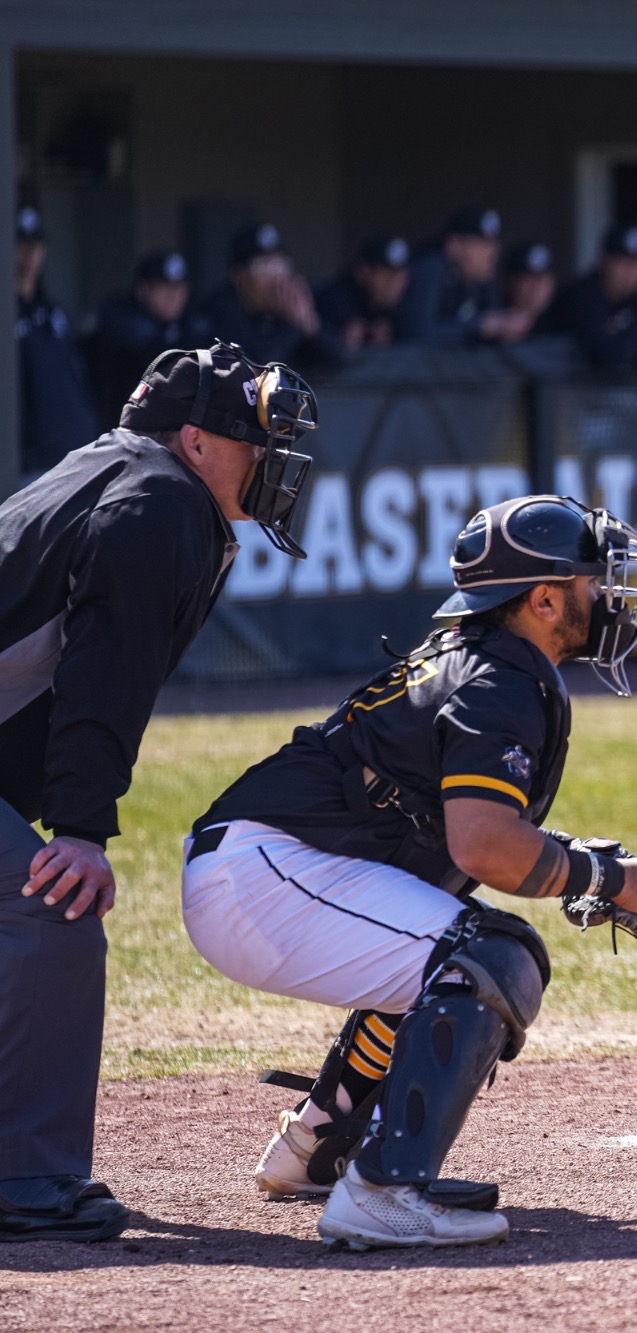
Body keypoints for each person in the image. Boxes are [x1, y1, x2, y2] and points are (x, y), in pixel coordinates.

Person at [180, 495, 637, 1250]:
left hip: (259, 865)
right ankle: (383, 1192)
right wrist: (608, 881)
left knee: (439, 944)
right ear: (544, 598)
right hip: (262, 872)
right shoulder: (500, 679)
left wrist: (595, 862)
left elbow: (468, 840)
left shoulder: (482, 662)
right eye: (590, 580)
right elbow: (485, 846)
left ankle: (317, 1145)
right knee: (487, 956)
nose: (606, 596)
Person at [0, 341, 317, 1243]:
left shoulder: (115, 470)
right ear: (195, 439)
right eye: (257, 439)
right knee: (49, 906)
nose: (274, 461)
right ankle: (25, 1179)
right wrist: (82, 831)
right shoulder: (160, 502)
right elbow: (103, 670)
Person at [83, 250, 210, 432]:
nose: (174, 296)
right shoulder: (122, 324)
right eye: (165, 287)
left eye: (179, 287)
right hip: (121, 431)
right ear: (143, 290)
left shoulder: (190, 326)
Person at [14, 206, 100, 474]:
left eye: (36, 244)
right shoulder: (10, 312)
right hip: (28, 463)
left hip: (72, 454)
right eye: (20, 243)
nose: (30, 253)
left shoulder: (53, 312)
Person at [542, 224, 637, 372]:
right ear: (602, 261)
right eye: (623, 263)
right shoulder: (581, 296)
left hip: (636, 393)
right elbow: (612, 358)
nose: (631, 273)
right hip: (572, 391)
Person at [399, 207, 532, 346]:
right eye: (481, 244)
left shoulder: (483, 275)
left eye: (493, 244)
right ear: (453, 245)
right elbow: (417, 336)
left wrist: (505, 326)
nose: (491, 253)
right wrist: (478, 326)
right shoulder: (429, 270)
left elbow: (491, 323)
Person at [196, 223, 323, 367]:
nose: (274, 277)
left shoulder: (283, 308)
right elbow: (256, 367)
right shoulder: (221, 312)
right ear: (238, 276)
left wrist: (311, 324)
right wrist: (293, 324)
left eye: (279, 264)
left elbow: (340, 358)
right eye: (263, 266)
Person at [315, 234, 410, 360]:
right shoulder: (333, 303)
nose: (395, 284)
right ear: (363, 272)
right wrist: (338, 341)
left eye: (401, 275)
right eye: (387, 275)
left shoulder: (400, 306)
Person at [499, 241, 558, 332]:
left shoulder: (562, 320)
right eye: (529, 279)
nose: (538, 287)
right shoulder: (494, 323)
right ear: (510, 282)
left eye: (543, 279)